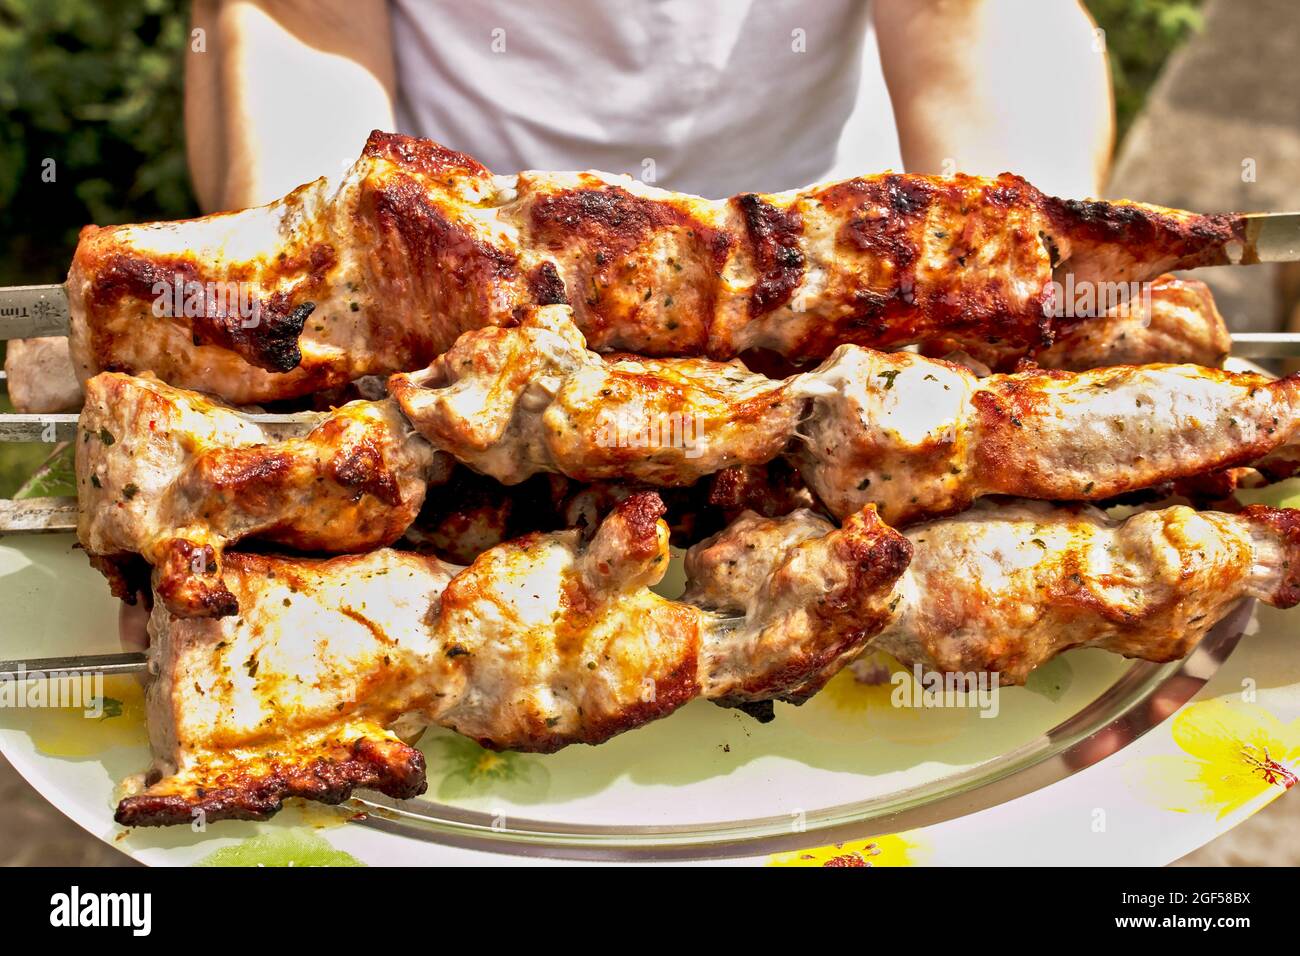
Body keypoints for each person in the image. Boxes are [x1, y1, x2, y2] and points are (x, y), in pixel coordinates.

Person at [185, 0, 1114, 211]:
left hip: (839, 255)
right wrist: (311, 316)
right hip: (448, 276)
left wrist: (1016, 278)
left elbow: (974, 10)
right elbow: (304, 20)